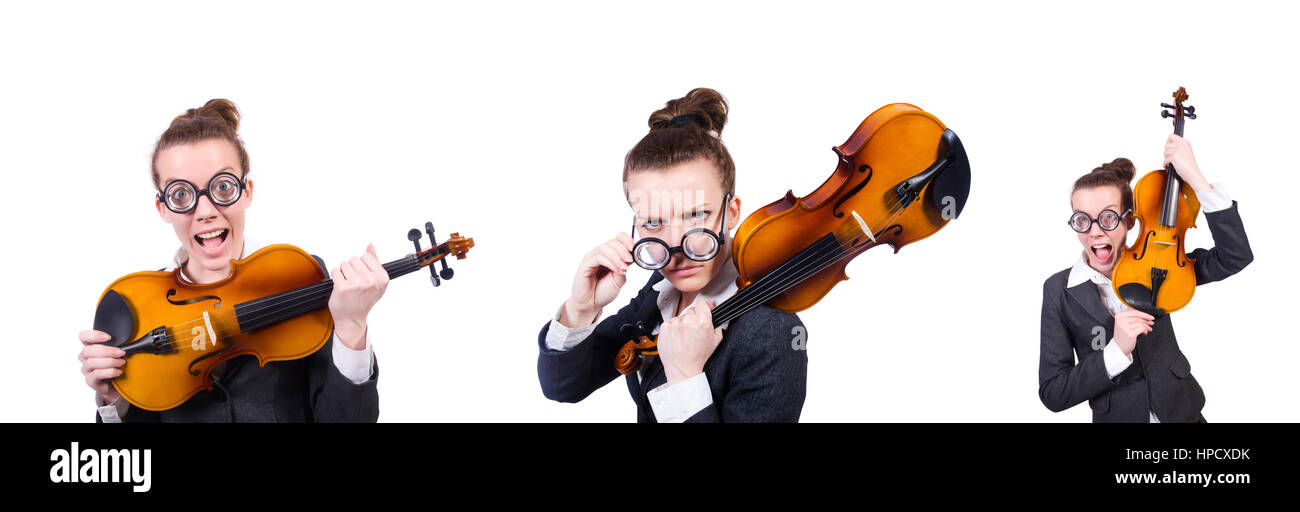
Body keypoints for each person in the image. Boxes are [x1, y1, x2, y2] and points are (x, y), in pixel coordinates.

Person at [77, 99, 386, 422]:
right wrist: (115, 401)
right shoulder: (137, 306)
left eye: (222, 187)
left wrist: (351, 328)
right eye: (181, 194)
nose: (206, 211)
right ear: (163, 208)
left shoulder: (297, 276)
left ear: (247, 190)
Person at [536, 88, 807, 422]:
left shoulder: (773, 333)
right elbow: (563, 387)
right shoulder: (659, 294)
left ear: (732, 212)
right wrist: (581, 309)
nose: (678, 247)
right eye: (653, 222)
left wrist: (684, 376)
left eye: (696, 216)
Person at [1038, 135, 1252, 422]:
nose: (1095, 231)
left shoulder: (1162, 264)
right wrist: (1115, 352)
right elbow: (1053, 393)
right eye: (1082, 219)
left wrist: (1197, 180)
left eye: (1108, 218)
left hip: (1184, 415)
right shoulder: (1058, 291)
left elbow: (1235, 256)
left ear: (1129, 220)